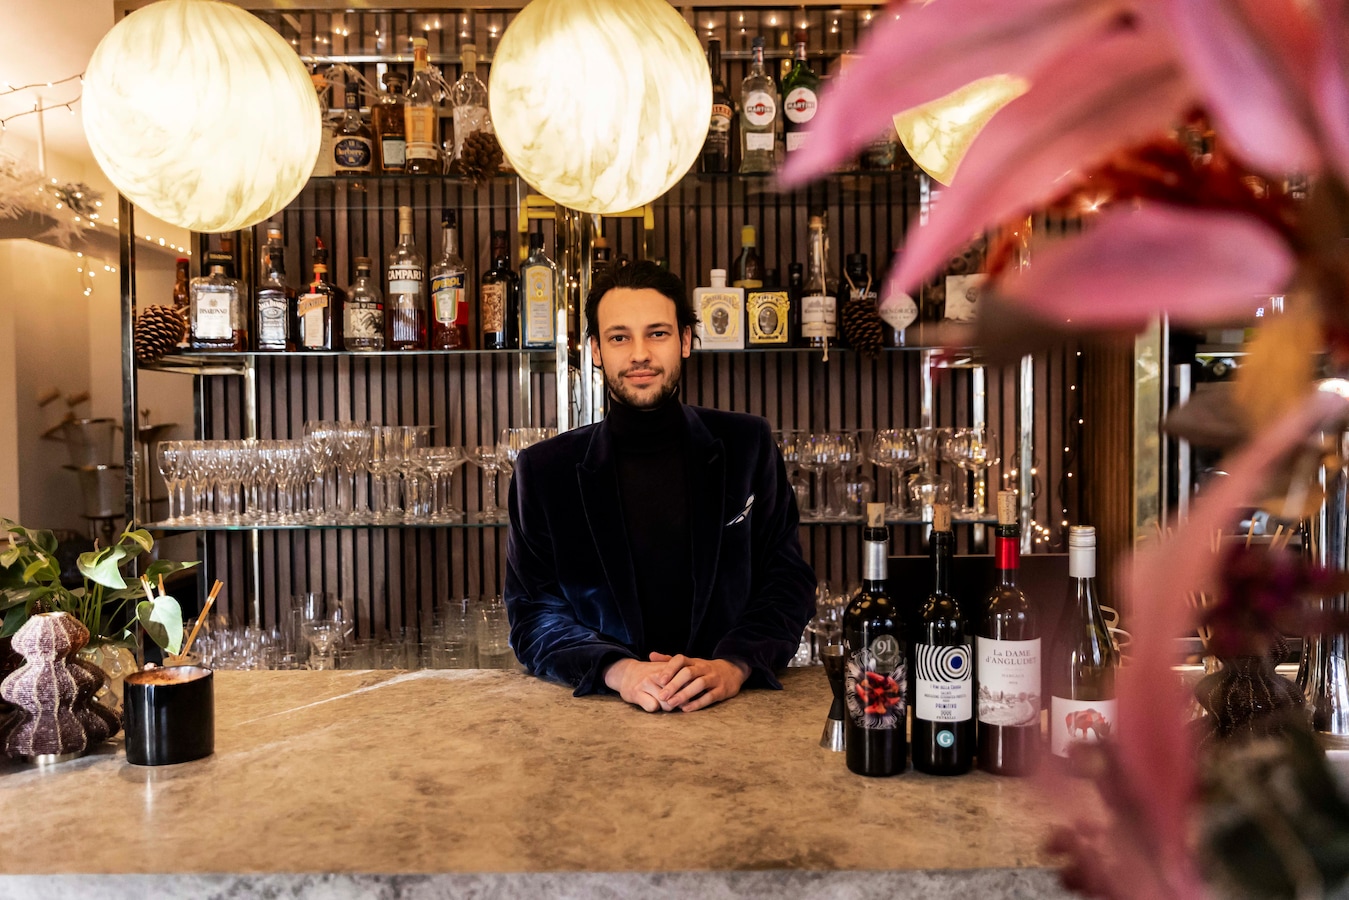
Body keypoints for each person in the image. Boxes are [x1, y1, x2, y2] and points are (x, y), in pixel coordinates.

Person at [504, 260, 816, 713]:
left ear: (686, 340)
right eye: (619, 337)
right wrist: (618, 670)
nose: (639, 354)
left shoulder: (746, 444)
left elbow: (787, 582)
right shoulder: (545, 469)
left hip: (735, 714)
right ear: (595, 350)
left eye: (657, 333)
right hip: (600, 719)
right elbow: (533, 614)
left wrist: (735, 665)